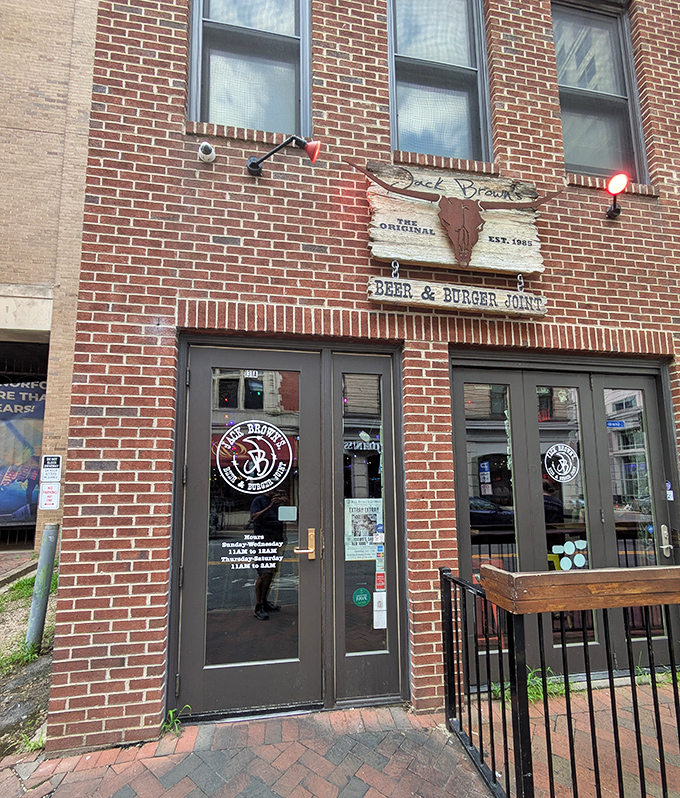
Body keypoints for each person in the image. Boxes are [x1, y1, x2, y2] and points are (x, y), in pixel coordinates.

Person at [250, 488, 287, 620]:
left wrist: (285, 505)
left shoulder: (277, 503)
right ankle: (258, 605)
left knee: (270, 572)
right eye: (276, 490)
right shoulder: (259, 500)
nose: (277, 492)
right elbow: (254, 517)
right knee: (263, 573)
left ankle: (264, 602)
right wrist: (270, 506)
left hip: (275, 540)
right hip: (263, 541)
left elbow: (288, 517)